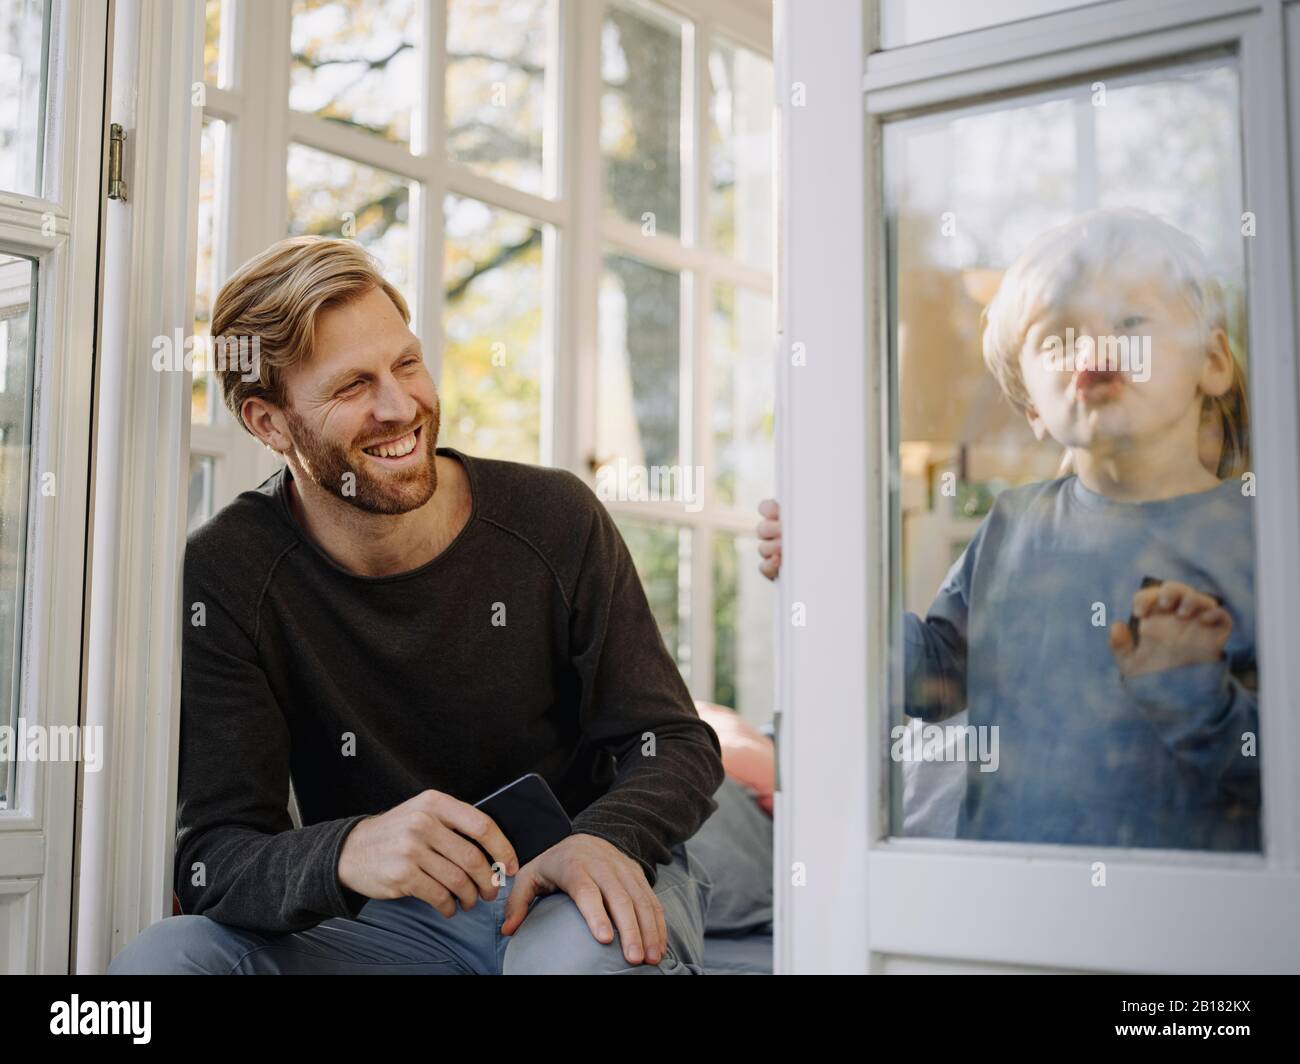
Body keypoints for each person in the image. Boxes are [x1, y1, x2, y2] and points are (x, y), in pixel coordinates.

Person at [109, 236, 726, 974]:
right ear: (268, 423)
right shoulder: (230, 569)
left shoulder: (553, 517)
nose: (400, 407)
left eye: (406, 364)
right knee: (167, 959)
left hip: (579, 886)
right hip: (391, 927)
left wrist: (602, 838)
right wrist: (346, 850)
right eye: (351, 387)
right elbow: (215, 855)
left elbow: (674, 741)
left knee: (572, 963)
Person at [758, 208, 1258, 851]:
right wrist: (826, 574)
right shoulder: (1012, 525)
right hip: (1004, 903)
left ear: (1212, 362)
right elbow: (934, 682)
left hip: (1192, 924)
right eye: (1058, 339)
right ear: (1033, 410)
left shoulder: (1260, 537)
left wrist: (1196, 697)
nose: (1094, 349)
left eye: (1131, 322)